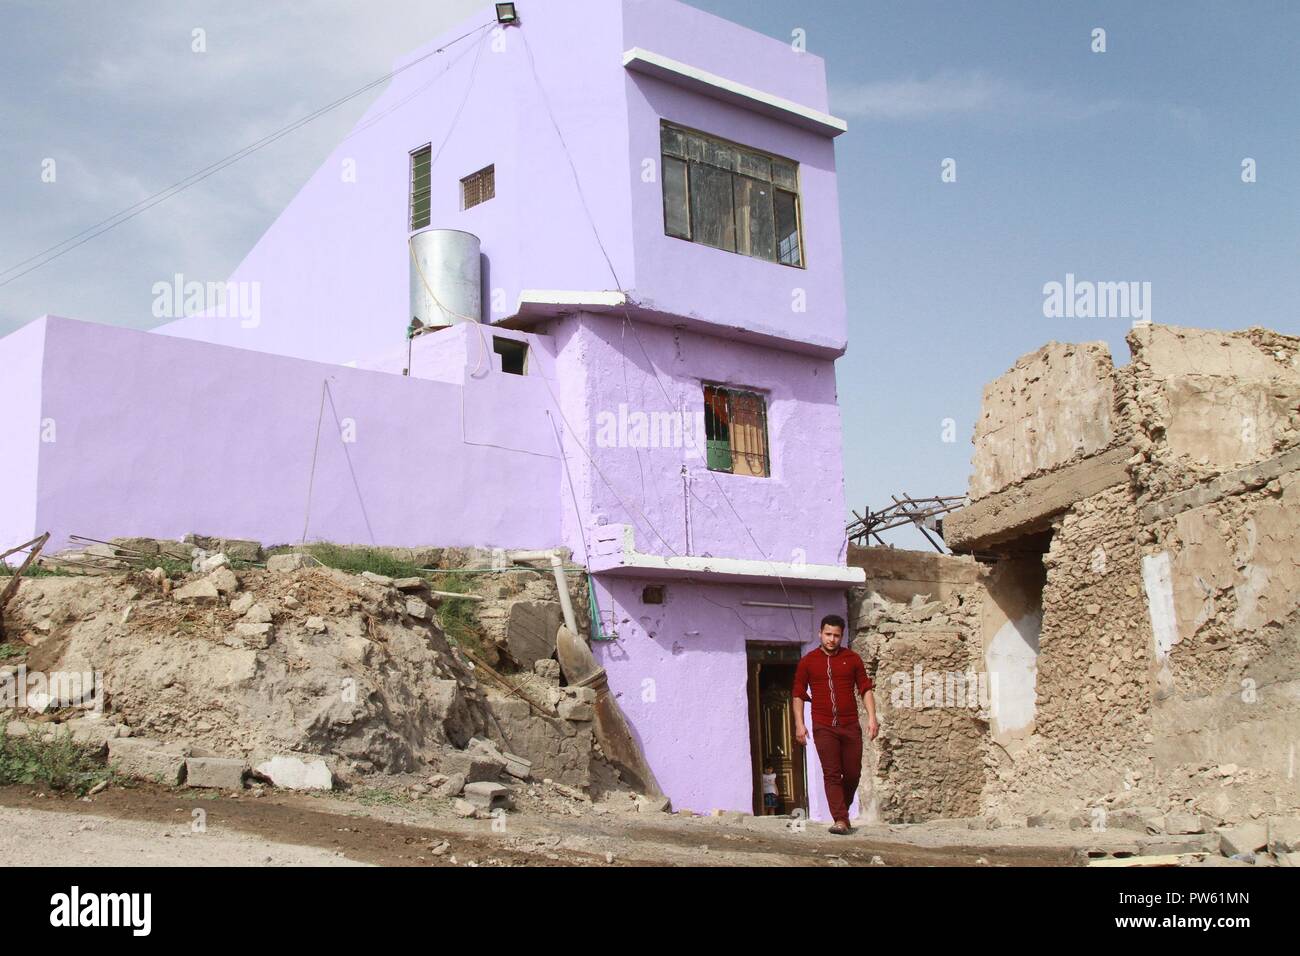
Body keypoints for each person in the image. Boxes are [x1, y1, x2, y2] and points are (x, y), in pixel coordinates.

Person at [791, 614, 879, 834]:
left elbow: (865, 688)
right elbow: (798, 694)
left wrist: (872, 718)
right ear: (820, 633)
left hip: (850, 725)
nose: (831, 639)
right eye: (828, 634)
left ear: (842, 636)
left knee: (852, 773)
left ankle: (843, 811)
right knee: (832, 773)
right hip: (823, 725)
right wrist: (799, 724)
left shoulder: (853, 659)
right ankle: (840, 819)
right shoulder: (808, 661)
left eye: (836, 636)